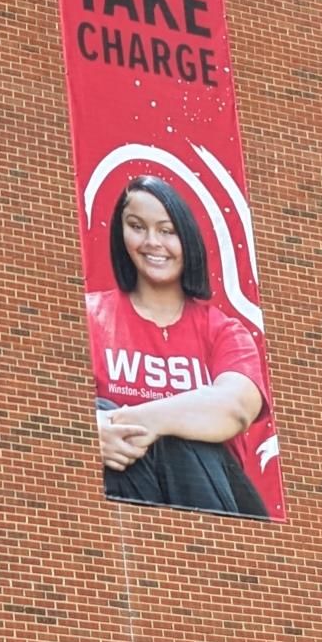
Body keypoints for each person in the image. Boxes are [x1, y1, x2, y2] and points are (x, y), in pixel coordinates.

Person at [88, 174, 269, 517]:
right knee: (100, 411)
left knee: (183, 437)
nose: (152, 242)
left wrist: (127, 422)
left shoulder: (225, 331)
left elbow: (235, 408)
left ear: (188, 237)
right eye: (136, 226)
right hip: (124, 501)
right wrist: (89, 434)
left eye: (167, 231)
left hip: (213, 501)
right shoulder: (90, 316)